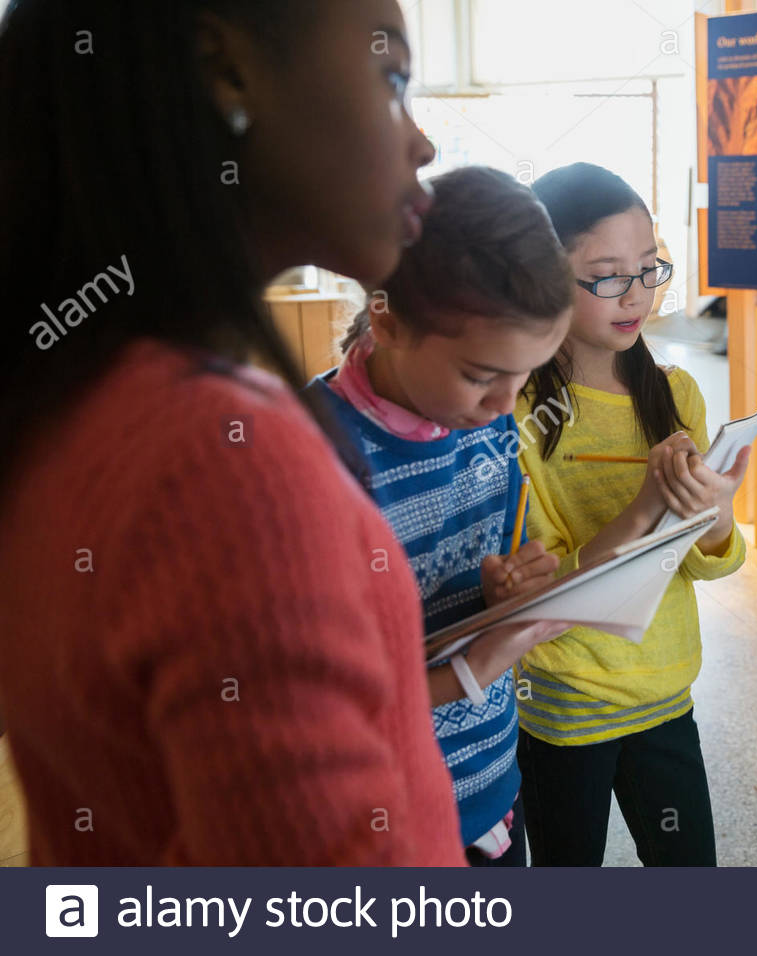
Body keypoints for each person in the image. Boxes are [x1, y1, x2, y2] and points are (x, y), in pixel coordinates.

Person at [0, 0, 524, 865]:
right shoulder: (220, 463)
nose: (422, 143)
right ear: (229, 70)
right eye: (390, 78)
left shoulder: (77, 396)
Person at [306, 164, 573, 865]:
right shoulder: (312, 459)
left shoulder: (483, 421)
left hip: (489, 788)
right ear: (388, 319)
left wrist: (503, 593)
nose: (506, 404)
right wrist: (480, 663)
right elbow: (315, 702)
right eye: (483, 376)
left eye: (527, 376)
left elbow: (474, 576)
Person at [514, 163, 750, 866]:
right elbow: (550, 586)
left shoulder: (675, 394)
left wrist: (712, 515)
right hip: (565, 701)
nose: (637, 294)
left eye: (650, 269)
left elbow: (715, 559)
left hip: (666, 692)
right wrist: (648, 503)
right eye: (607, 275)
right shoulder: (520, 413)